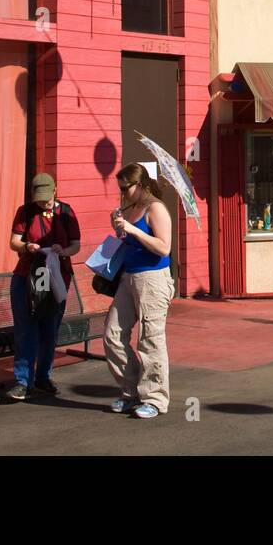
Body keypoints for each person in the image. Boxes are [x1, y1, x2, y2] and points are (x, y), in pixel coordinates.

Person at [104, 163, 175, 418]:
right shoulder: (129, 208)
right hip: (128, 277)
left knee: (150, 337)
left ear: (141, 184)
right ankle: (131, 390)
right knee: (112, 334)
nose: (122, 192)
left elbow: (163, 247)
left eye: (126, 187)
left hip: (153, 279)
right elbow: (129, 244)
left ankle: (155, 398)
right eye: (120, 188)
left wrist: (133, 229)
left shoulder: (155, 208)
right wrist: (119, 228)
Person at [6, 173, 81, 401]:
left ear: (55, 190)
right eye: (39, 199)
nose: (43, 203)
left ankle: (43, 375)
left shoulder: (66, 212)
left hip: (57, 275)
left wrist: (63, 251)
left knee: (50, 328)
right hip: (28, 274)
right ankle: (22, 380)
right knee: (26, 327)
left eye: (46, 199)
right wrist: (27, 245)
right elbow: (14, 242)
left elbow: (76, 245)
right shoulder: (25, 211)